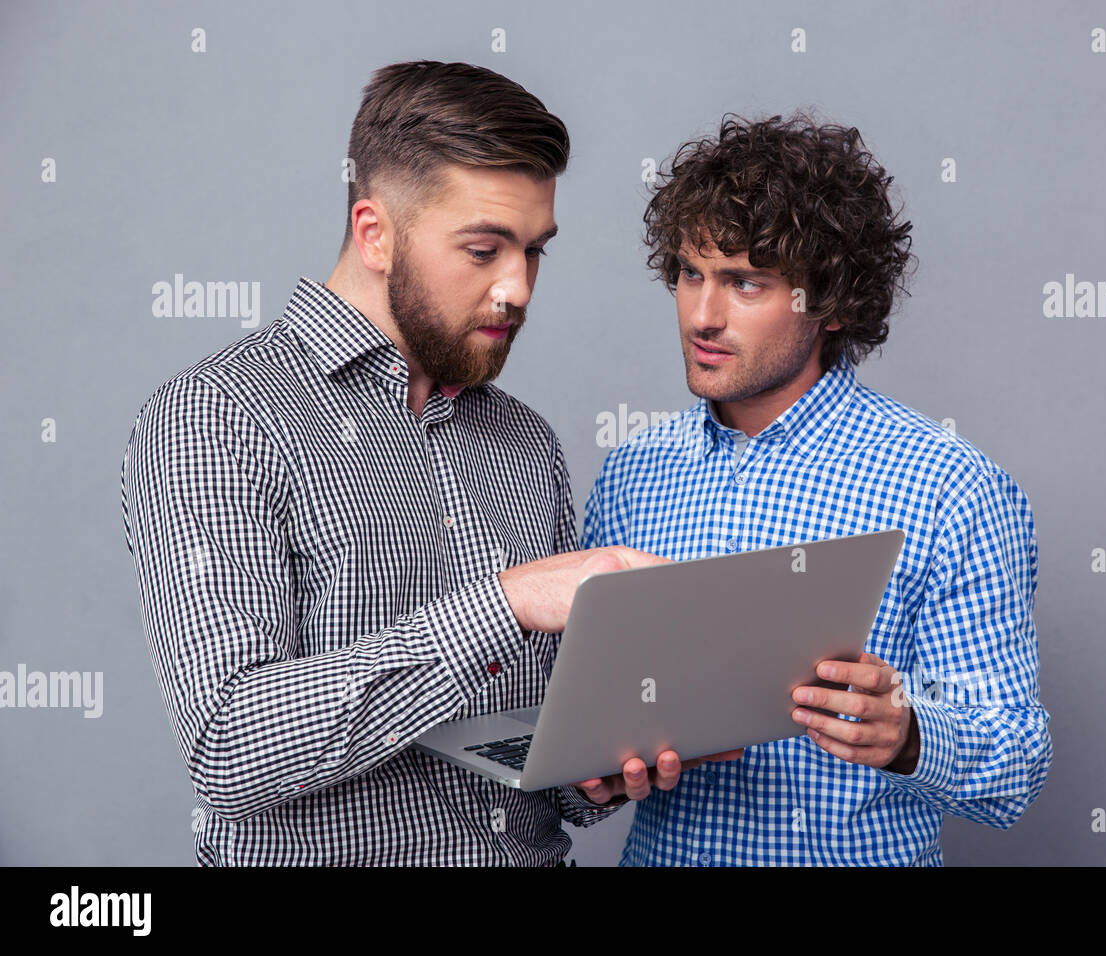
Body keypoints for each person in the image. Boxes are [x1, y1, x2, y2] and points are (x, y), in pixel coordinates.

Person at [119, 59, 721, 867]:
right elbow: (229, 746)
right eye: (483, 250)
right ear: (376, 233)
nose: (518, 290)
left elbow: (528, 746)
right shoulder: (217, 418)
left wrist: (591, 773)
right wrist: (504, 605)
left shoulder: (524, 442)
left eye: (535, 252)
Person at [581, 113, 1053, 865]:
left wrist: (907, 733)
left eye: (746, 283)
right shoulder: (634, 474)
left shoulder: (948, 486)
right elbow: (588, 723)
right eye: (690, 274)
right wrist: (596, 772)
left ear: (831, 304)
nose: (703, 315)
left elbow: (1016, 766)